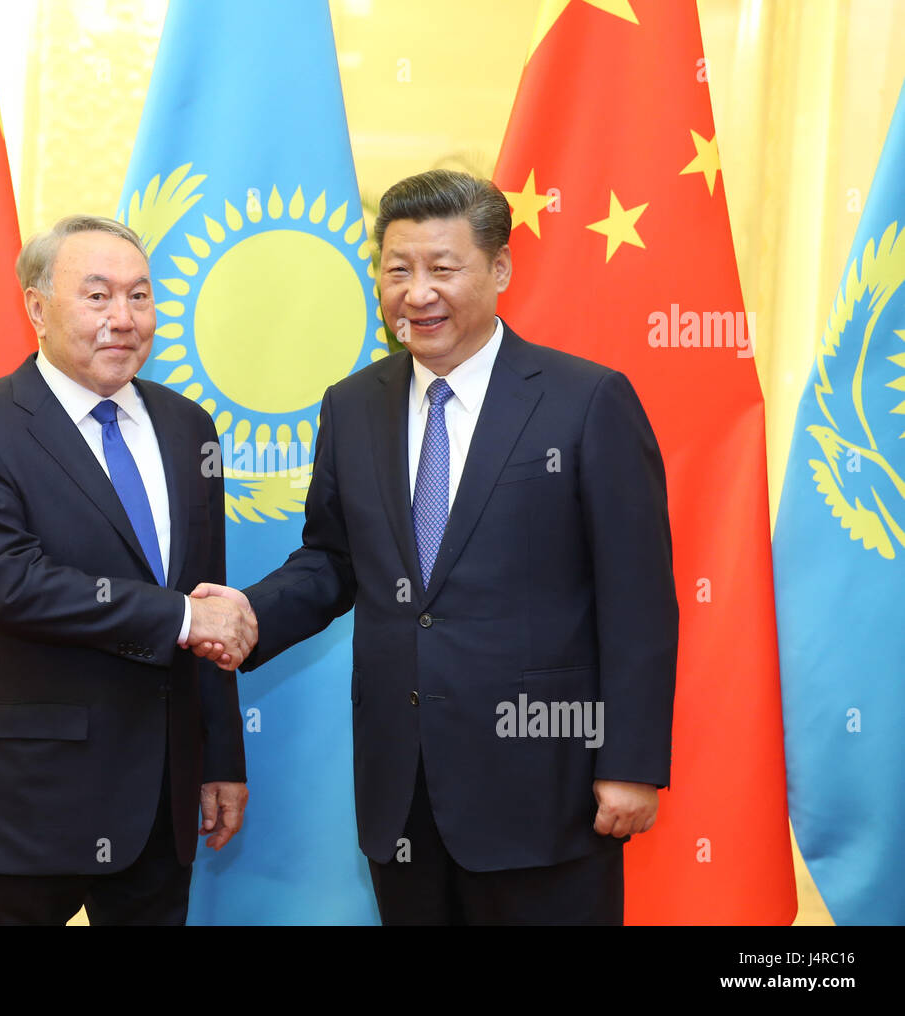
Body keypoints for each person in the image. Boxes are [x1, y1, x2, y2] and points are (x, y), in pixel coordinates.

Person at [191, 170, 677, 925]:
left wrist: (631, 764)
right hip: (403, 789)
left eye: (442, 269)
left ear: (501, 270)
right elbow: (333, 561)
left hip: (544, 785)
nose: (417, 293)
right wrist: (250, 614)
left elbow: (638, 598)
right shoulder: (353, 406)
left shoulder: (586, 401)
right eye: (397, 271)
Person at [0, 215, 255, 925]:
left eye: (140, 296)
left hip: (161, 792)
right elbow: (14, 587)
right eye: (97, 297)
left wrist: (220, 756)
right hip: (26, 791)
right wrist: (185, 618)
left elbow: (208, 596)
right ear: (37, 308)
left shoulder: (189, 428)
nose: (124, 319)